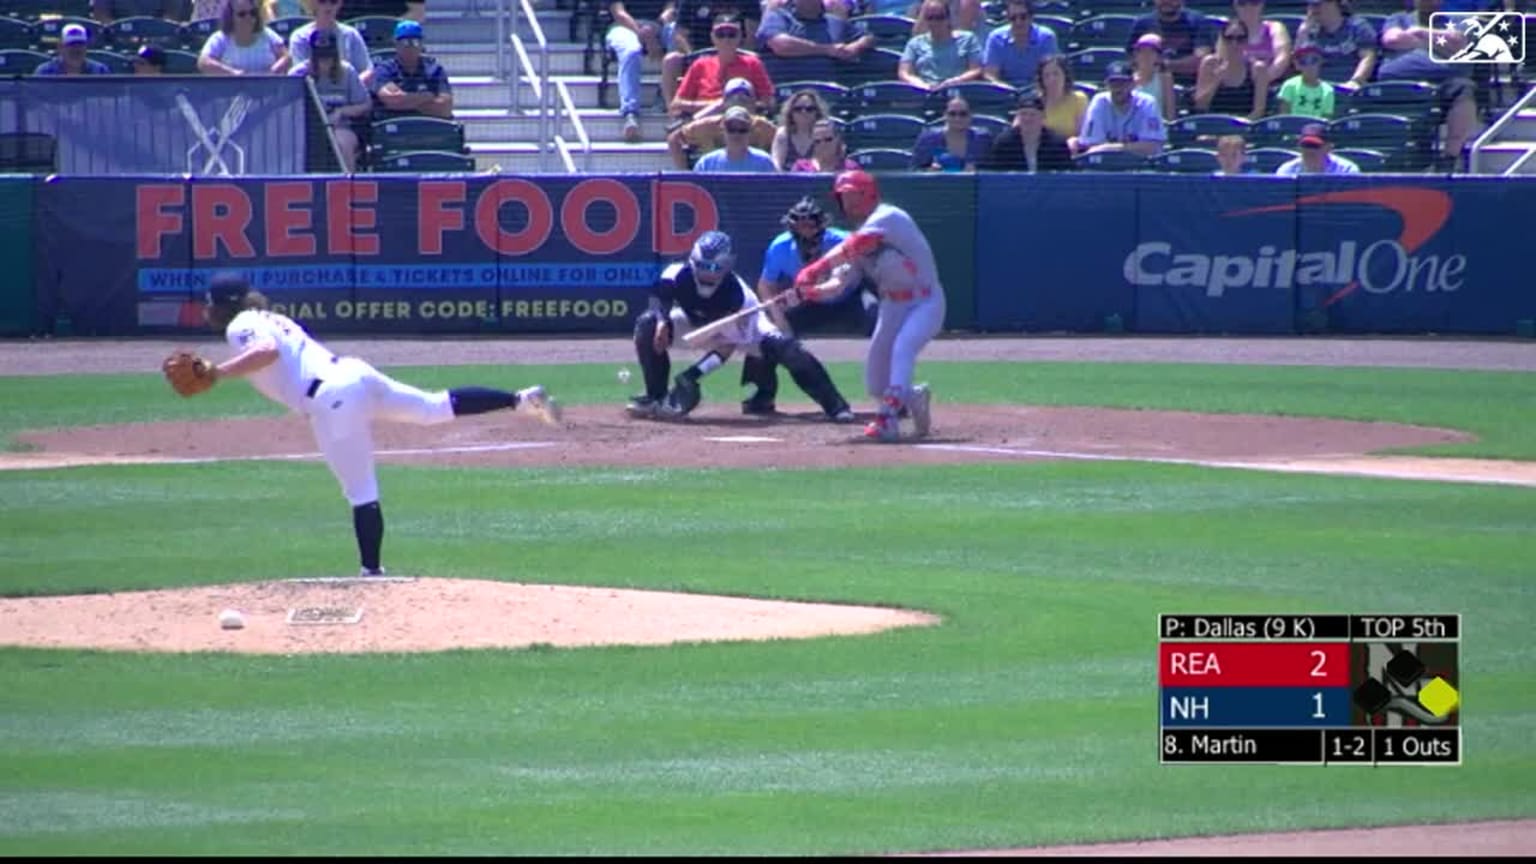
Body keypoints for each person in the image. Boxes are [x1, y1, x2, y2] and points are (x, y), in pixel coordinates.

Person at [195, 271, 561, 577]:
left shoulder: (241, 323)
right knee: (432, 408)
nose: (207, 310)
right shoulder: (271, 318)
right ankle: (520, 399)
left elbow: (267, 353)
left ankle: (372, 574)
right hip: (356, 374)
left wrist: (216, 372)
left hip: (331, 398)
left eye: (210, 303)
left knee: (361, 491)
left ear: (224, 304)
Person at [626, 230, 855, 422]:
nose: (706, 275)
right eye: (701, 266)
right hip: (698, 323)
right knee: (646, 324)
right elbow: (660, 298)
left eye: (714, 269)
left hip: (747, 333)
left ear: (726, 266)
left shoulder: (737, 296)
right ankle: (655, 396)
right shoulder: (675, 275)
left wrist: (692, 375)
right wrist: (662, 321)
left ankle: (836, 406)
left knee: (791, 352)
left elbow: (726, 347)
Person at [788, 171, 944, 442]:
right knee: (875, 382)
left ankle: (887, 420)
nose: (847, 203)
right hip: (892, 306)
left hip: (925, 301)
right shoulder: (858, 238)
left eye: (852, 196)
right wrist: (811, 292)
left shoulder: (889, 217)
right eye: (843, 197)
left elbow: (858, 244)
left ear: (868, 194)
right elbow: (839, 283)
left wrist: (816, 268)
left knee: (903, 347)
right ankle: (914, 396)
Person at [741, 196, 876, 414]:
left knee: (879, 320)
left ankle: (895, 395)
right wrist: (781, 324)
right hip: (811, 303)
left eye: (811, 226)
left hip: (850, 298)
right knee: (767, 336)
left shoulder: (842, 242)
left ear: (821, 224)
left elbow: (839, 283)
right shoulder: (780, 247)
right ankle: (762, 395)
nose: (806, 232)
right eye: (800, 226)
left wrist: (808, 291)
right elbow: (765, 286)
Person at [1377, 0, 1480, 167]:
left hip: (1444, 83)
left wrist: (1420, 33)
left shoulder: (1458, 19)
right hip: (1398, 83)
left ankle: (1449, 158)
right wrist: (1436, 43)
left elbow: (1457, 44)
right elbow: (1392, 39)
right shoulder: (1399, 18)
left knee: (1465, 89)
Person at [667, 13, 775, 120]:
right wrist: (717, 105)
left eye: (732, 34)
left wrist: (739, 105)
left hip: (743, 125)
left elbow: (769, 102)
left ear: (740, 37)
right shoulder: (700, 65)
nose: (726, 39)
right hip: (705, 122)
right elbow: (677, 104)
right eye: (720, 34)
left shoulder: (753, 64)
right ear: (712, 37)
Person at [292, 29, 372, 171]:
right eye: (320, 58)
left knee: (343, 143)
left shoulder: (347, 71)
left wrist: (342, 112)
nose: (324, 63)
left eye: (328, 57)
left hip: (340, 126)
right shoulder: (298, 74)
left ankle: (347, 186)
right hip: (306, 129)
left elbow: (365, 104)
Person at [755, 0, 876, 89]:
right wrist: (827, 49)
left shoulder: (834, 22)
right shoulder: (779, 16)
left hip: (827, 94)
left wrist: (854, 47)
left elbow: (868, 37)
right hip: (786, 92)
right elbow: (781, 45)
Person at [606, 0, 677, 142]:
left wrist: (653, 30)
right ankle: (630, 113)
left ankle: (668, 99)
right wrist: (642, 33)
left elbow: (670, 9)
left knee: (677, 34)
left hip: (658, 26)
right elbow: (619, 13)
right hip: (623, 27)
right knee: (631, 51)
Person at [669, 78, 776, 169]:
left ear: (753, 102)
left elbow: (783, 139)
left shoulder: (764, 127)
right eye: (733, 97)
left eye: (744, 98)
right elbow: (674, 138)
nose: (738, 100)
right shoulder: (706, 126)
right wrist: (684, 173)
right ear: (723, 102)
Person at [1074, 61, 1168, 157]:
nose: (1118, 88)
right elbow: (1091, 146)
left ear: (1133, 84)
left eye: (1122, 83)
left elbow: (1153, 147)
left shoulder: (1147, 103)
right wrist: (1132, 147)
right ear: (1106, 85)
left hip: (1140, 167)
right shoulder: (1099, 102)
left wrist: (1111, 148)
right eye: (1113, 84)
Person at [369, 20, 455, 121]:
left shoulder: (435, 69)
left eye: (415, 42)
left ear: (422, 44)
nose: (410, 47)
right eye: (405, 42)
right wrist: (427, 96)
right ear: (396, 43)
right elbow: (393, 100)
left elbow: (445, 107)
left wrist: (407, 102)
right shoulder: (385, 69)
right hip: (394, 126)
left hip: (427, 127)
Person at [979, 89, 1074, 172]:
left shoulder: (1057, 143)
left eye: (1032, 114)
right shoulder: (1004, 143)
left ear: (1043, 117)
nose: (1027, 119)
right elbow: (994, 176)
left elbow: (1066, 175)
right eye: (1023, 114)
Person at [1126, 0, 1214, 87]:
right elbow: (1133, 60)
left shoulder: (1197, 21)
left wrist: (1162, 65)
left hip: (1189, 87)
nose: (1166, 1)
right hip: (1152, 85)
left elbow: (1201, 62)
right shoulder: (1142, 23)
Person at [898, 0, 983, 89]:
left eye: (939, 17)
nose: (935, 22)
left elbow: (976, 69)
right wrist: (921, 85)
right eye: (930, 18)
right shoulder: (914, 43)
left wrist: (955, 81)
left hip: (958, 89)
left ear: (948, 19)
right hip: (924, 90)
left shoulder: (968, 39)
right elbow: (904, 73)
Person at [1194, 19, 1269, 120]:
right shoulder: (1210, 64)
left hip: (1245, 126)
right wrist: (1216, 80)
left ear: (1247, 41)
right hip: (1213, 126)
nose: (1234, 44)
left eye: (1240, 39)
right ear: (1222, 40)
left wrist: (1237, 128)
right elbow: (1200, 106)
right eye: (1229, 38)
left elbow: (1259, 111)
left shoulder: (1258, 69)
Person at [288, 0, 375, 86]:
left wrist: (351, 88)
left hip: (347, 94)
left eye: (333, 1)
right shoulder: (299, 36)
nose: (328, 6)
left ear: (339, 4)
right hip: (312, 94)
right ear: (312, 3)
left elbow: (367, 71)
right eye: (322, 1)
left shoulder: (351, 34)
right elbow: (299, 75)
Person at [1295, 0, 1378, 89]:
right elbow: (1298, 67)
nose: (1312, 9)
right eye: (1310, 5)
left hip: (1349, 89)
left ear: (1334, 4)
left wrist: (1355, 81)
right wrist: (1302, 34)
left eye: (1317, 5)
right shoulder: (1309, 31)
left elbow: (1367, 58)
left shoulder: (1358, 27)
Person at [197, 0, 290, 76]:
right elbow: (203, 62)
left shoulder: (268, 35)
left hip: (268, 93)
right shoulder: (220, 38)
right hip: (231, 94)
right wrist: (232, 73)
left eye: (252, 13)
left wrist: (272, 72)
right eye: (242, 14)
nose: (249, 17)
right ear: (230, 17)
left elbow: (286, 57)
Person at [982, 0, 1060, 89]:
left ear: (1031, 17)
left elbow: (1051, 73)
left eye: (1023, 17)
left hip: (1038, 92)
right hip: (1005, 94)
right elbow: (990, 75)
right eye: (1013, 18)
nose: (1018, 22)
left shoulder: (1046, 37)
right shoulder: (995, 38)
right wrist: (1007, 90)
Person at [910, 94, 992, 171]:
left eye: (963, 114)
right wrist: (929, 171)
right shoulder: (928, 139)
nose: (957, 118)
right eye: (952, 114)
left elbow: (992, 170)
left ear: (970, 116)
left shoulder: (982, 139)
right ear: (945, 115)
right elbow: (914, 169)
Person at [693, 105, 779, 170]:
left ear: (750, 131)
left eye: (742, 129)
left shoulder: (764, 162)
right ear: (723, 130)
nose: (736, 134)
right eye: (731, 129)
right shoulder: (706, 164)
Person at [1228, 0, 1292, 85]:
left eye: (1254, 2)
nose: (1248, 8)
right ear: (1235, 6)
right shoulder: (1228, 31)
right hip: (1237, 87)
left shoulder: (1275, 27)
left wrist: (1264, 79)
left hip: (1271, 85)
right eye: (1242, 3)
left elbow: (1282, 58)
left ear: (1262, 4)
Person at [1036, 53, 1086, 149]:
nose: (1052, 79)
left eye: (1056, 74)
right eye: (1047, 75)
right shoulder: (1034, 102)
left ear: (1065, 76)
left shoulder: (1078, 100)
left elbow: (1083, 135)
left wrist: (1074, 141)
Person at [1274, 122, 1359, 174]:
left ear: (1328, 148)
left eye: (1315, 146)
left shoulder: (1346, 170)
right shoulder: (1287, 171)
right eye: (1305, 145)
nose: (1309, 151)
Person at [1277, 43, 1335, 117]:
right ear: (1297, 65)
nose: (1309, 65)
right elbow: (1284, 117)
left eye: (1314, 60)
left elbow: (1327, 120)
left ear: (1321, 62)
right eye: (1303, 61)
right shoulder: (1289, 86)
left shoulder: (1328, 90)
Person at [1131, 33, 1177, 123]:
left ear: (1159, 57)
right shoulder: (1127, 79)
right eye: (1141, 51)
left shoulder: (1165, 79)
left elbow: (1170, 116)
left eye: (1151, 51)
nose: (1146, 55)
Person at [34, 24, 112, 75]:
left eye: (80, 44)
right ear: (60, 47)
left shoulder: (100, 71)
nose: (76, 50)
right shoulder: (45, 72)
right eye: (71, 45)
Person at [791, 118, 860, 171]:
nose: (823, 144)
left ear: (837, 140)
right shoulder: (801, 168)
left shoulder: (850, 168)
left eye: (828, 139)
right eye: (817, 141)